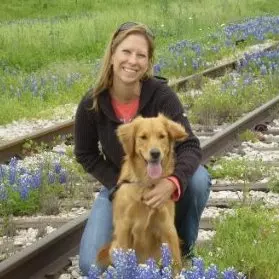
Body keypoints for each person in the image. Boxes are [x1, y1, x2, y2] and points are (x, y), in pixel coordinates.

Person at [74, 21, 212, 275]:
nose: (132, 60)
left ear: (148, 63)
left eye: (141, 55)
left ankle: (181, 250)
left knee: (199, 179)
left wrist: (172, 182)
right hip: (122, 185)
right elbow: (85, 153)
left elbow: (190, 145)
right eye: (126, 52)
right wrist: (117, 185)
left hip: (163, 181)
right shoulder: (92, 102)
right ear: (113, 54)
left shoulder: (161, 95)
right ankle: (140, 262)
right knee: (90, 265)